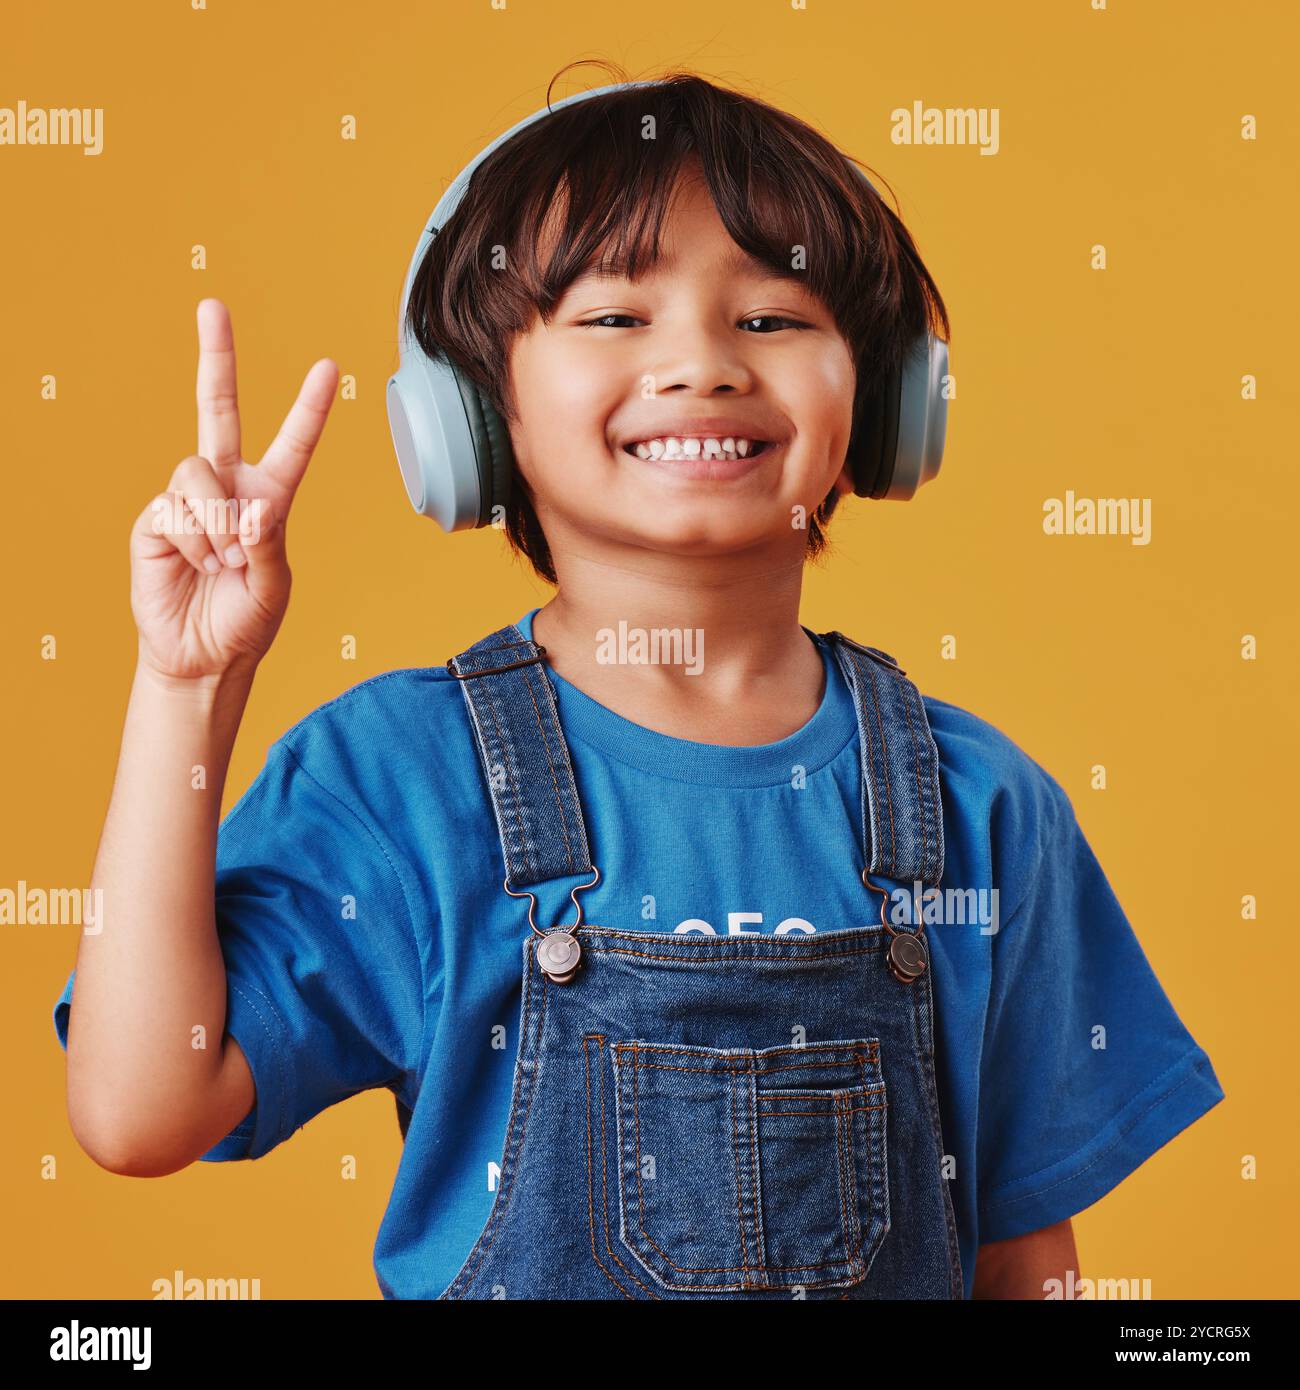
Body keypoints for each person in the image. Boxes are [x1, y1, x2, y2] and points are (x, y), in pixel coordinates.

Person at [52, 70, 1224, 1301]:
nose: (703, 365)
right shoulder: (401, 777)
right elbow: (139, 1112)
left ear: (882, 405)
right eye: (614, 318)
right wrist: (192, 682)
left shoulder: (980, 804)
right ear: (473, 416)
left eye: (772, 318)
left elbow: (1024, 1262)